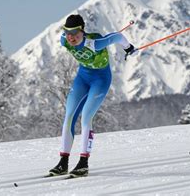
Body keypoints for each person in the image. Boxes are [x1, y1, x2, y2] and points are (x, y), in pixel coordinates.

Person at [48, 14, 137, 177]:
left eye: (75, 33)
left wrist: (128, 47)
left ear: (82, 31)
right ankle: (63, 163)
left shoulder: (94, 44)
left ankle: (83, 163)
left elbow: (117, 36)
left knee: (86, 117)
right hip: (82, 78)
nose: (71, 37)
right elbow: (66, 37)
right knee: (69, 116)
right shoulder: (64, 40)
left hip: (100, 80)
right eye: (67, 32)